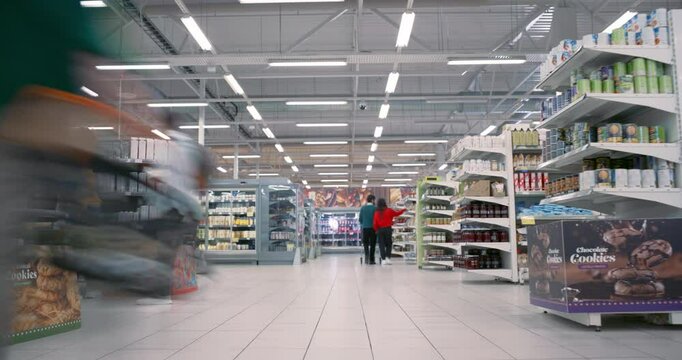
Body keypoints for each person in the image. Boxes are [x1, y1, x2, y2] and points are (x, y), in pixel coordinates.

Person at [373, 198, 406, 265]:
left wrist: (376, 230)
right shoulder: (389, 210)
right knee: (389, 244)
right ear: (385, 203)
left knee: (381, 245)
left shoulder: (376, 213)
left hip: (380, 230)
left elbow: (374, 223)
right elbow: (397, 213)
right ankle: (388, 258)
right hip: (388, 229)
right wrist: (404, 210)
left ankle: (383, 259)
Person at [359, 195, 377, 264]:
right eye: (374, 200)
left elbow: (360, 219)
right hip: (373, 228)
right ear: (372, 200)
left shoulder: (363, 208)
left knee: (365, 243)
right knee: (373, 244)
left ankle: (366, 256)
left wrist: (363, 223)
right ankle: (371, 259)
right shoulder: (375, 208)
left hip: (365, 228)